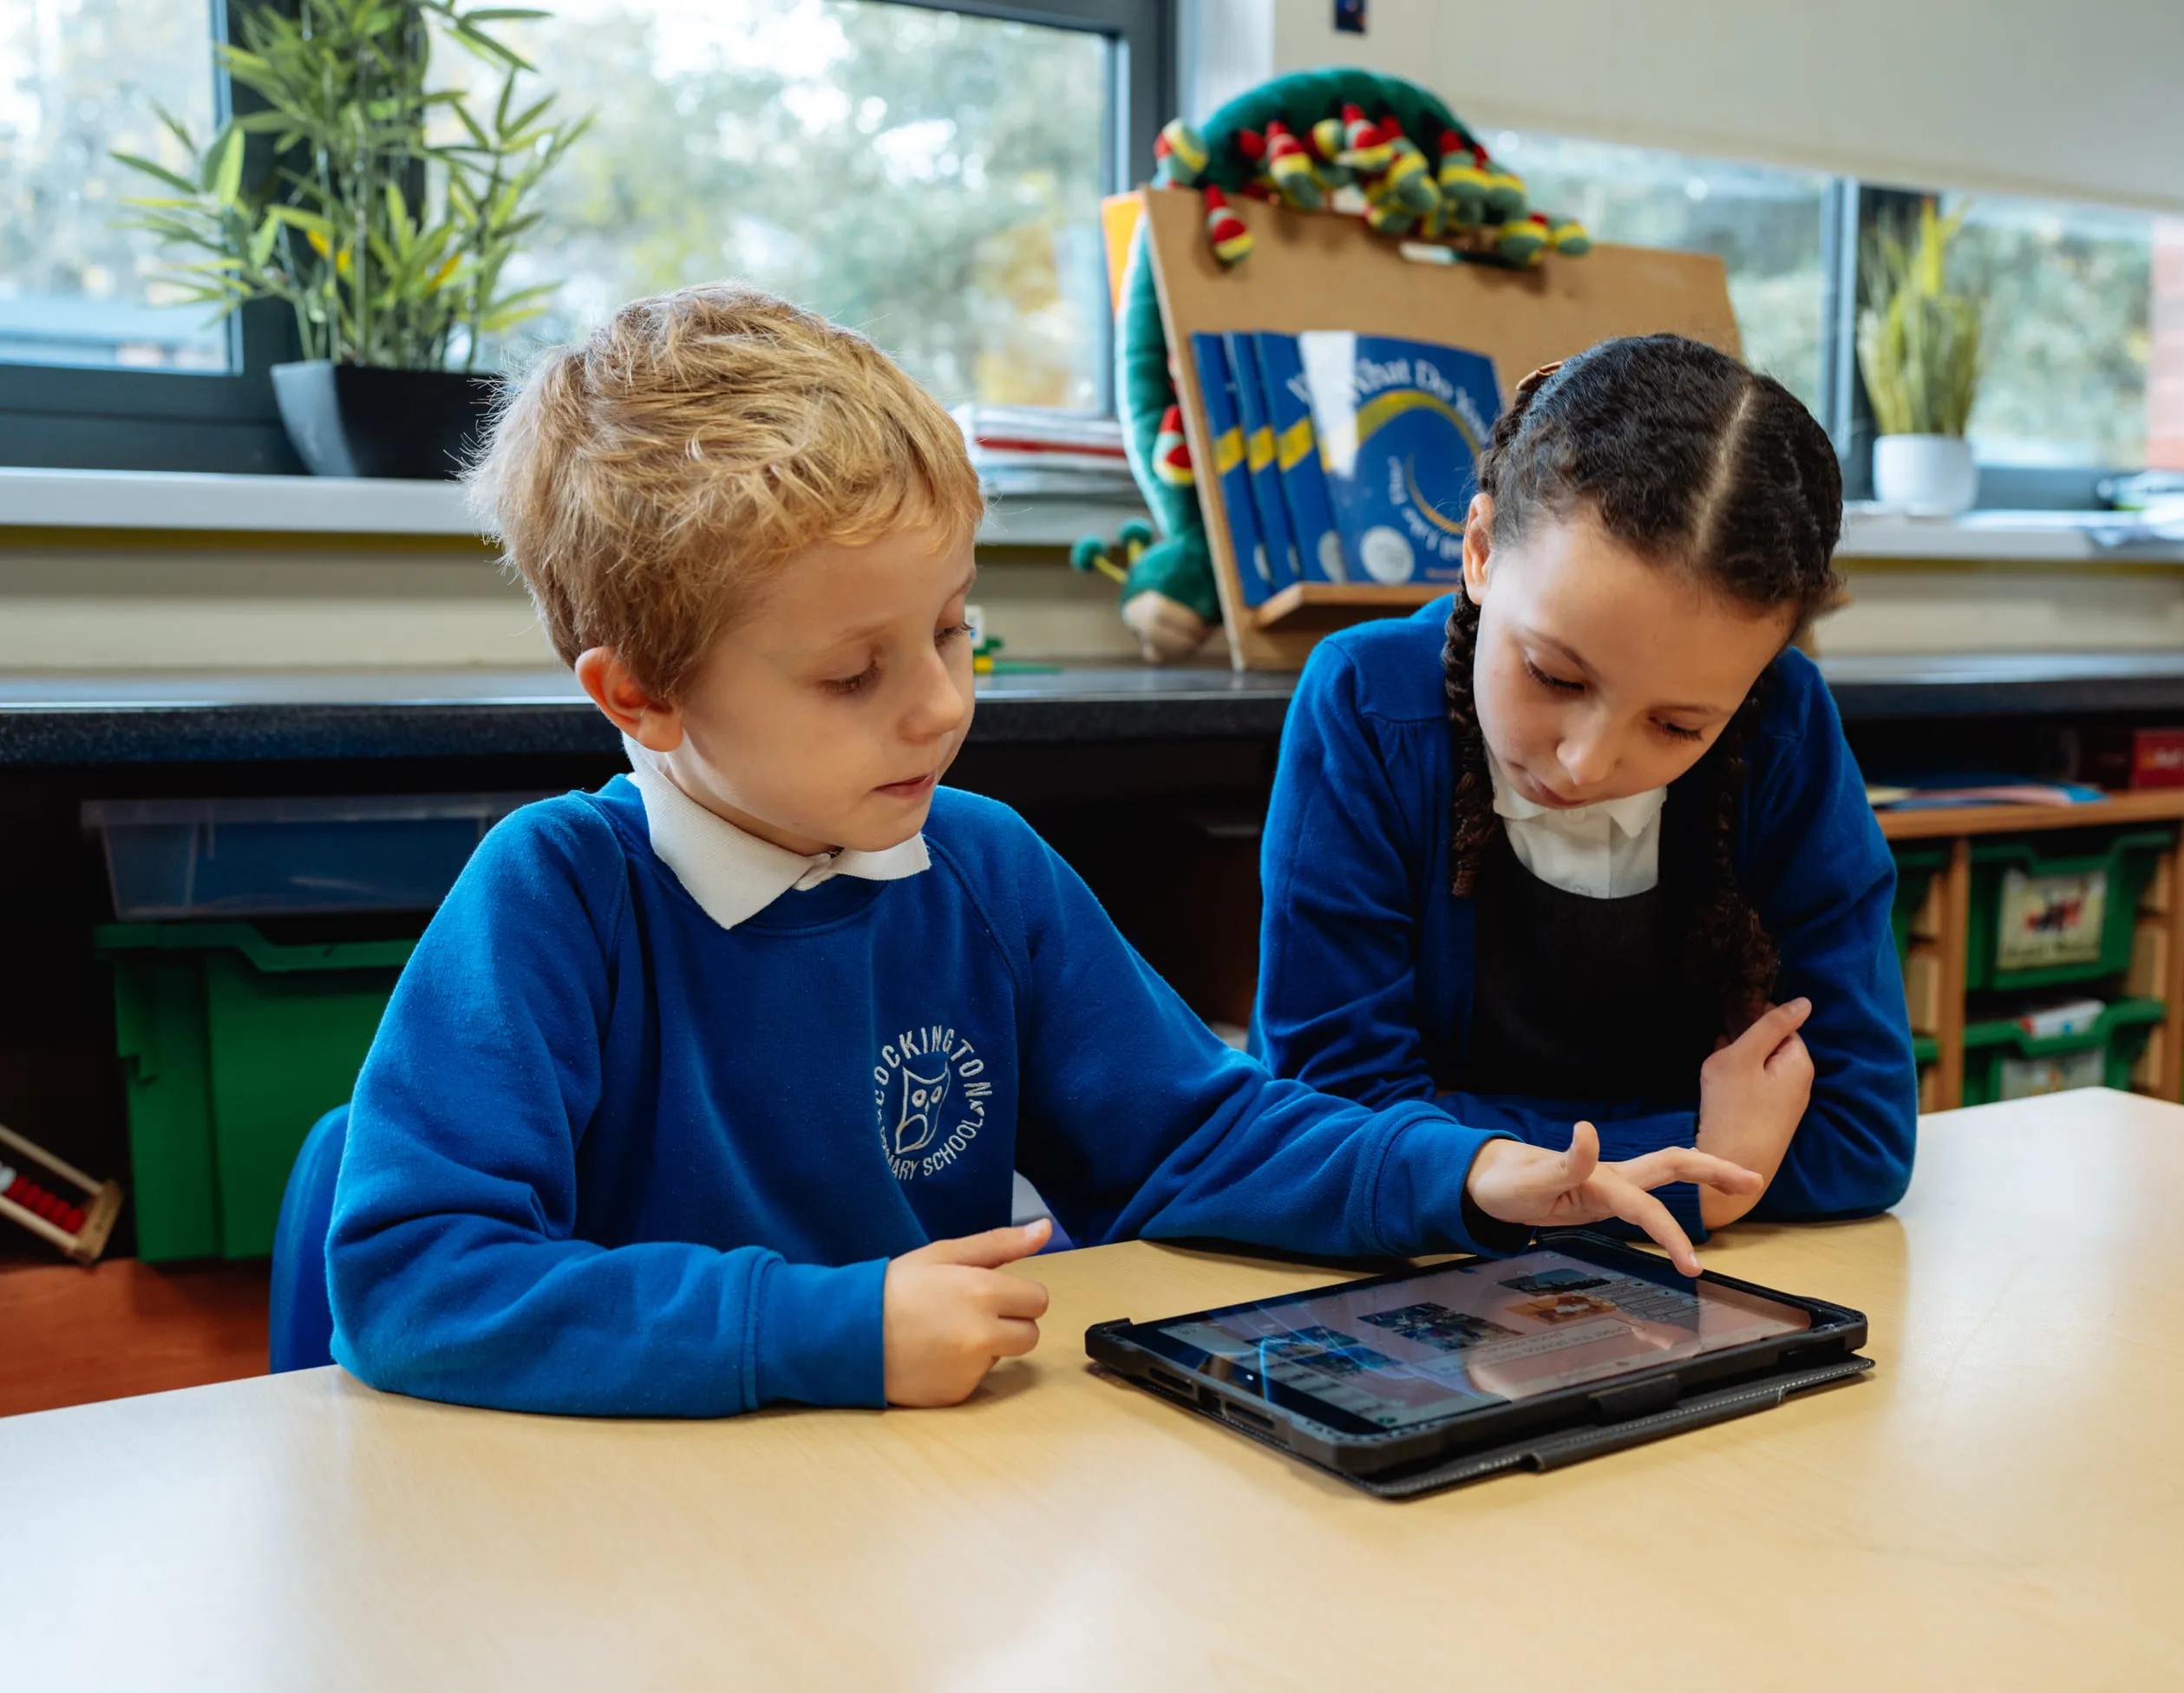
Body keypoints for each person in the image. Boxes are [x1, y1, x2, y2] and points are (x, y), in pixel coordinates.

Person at [324, 289, 1768, 1419]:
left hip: (911, 1515)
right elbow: (414, 1279)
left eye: (952, 629)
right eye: (853, 672)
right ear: (636, 691)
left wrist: (1464, 1175)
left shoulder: (981, 867)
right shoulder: (551, 899)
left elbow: (1193, 1134)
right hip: (625, 1543)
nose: (942, 701)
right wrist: (825, 1326)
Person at [1252, 335, 1914, 1245]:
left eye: (1679, 727)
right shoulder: (1365, 704)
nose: (1584, 763)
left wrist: (1462, 1146)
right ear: (1479, 550)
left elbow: (1860, 1136)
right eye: (1555, 676)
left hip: (1682, 1302)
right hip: (1410, 1296)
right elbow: (1334, 1124)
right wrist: (1706, 1166)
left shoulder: (1785, 730)